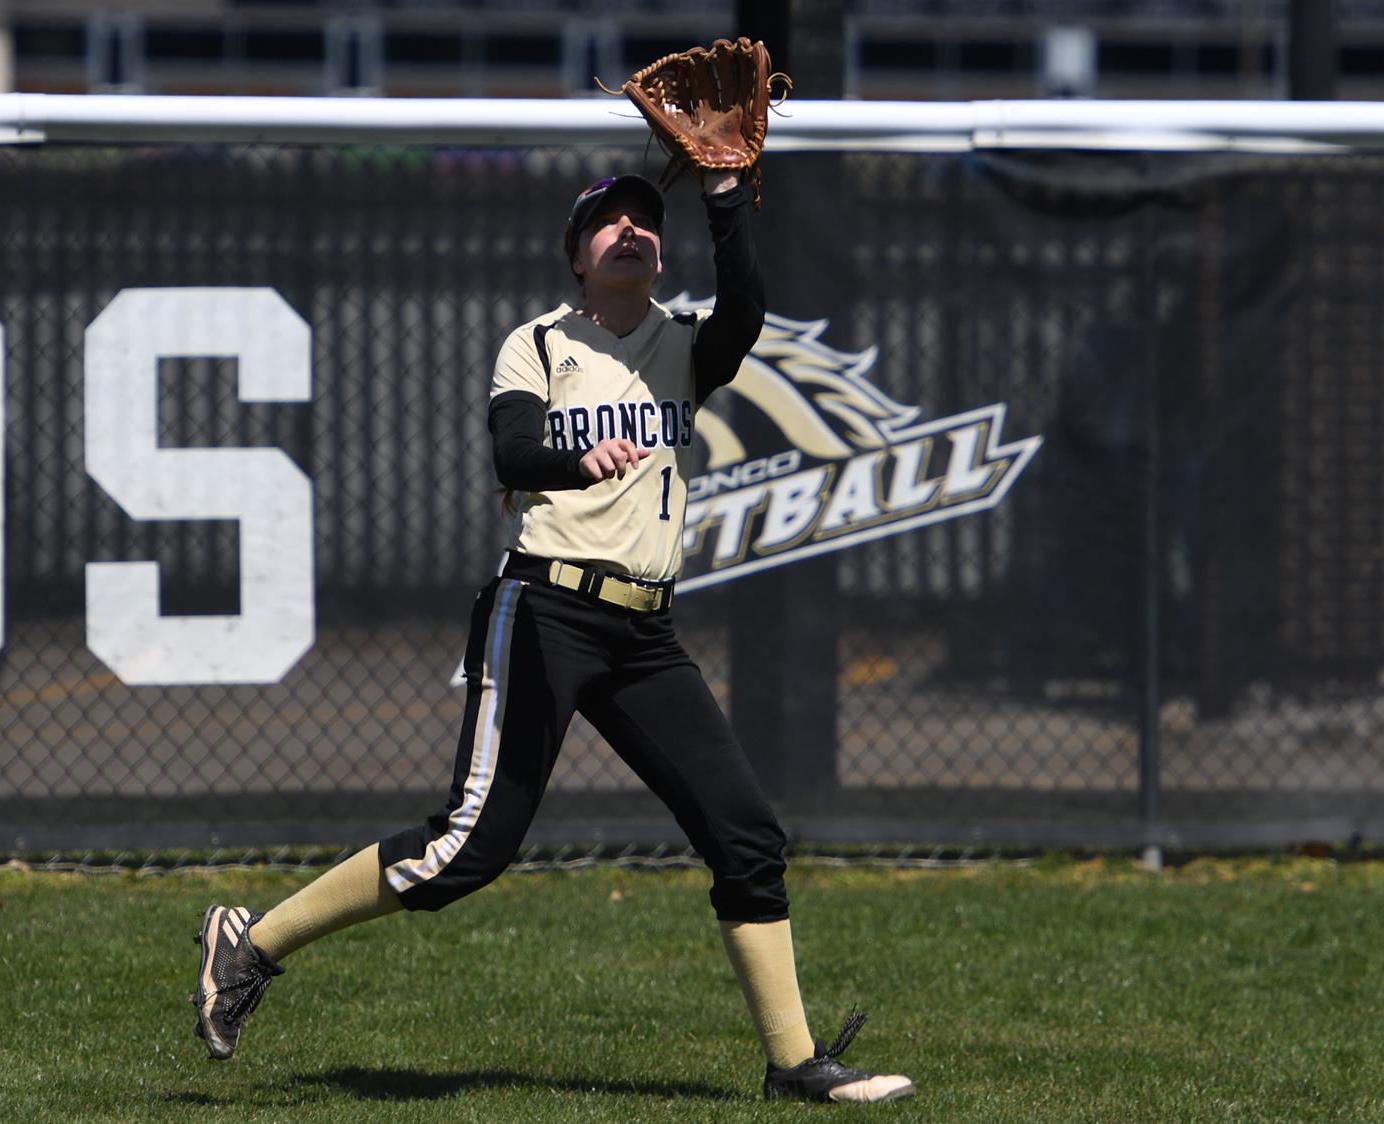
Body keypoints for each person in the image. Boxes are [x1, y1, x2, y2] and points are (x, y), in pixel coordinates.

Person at [190, 169, 915, 1104]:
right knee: (466, 851)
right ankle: (247, 944)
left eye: (646, 220)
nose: (630, 229)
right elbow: (512, 452)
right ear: (577, 256)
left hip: (644, 631)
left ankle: (794, 1064)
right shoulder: (538, 342)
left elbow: (747, 309)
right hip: (543, 611)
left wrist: (729, 197)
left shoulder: (686, 345)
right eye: (607, 221)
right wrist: (577, 458)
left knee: (747, 836)